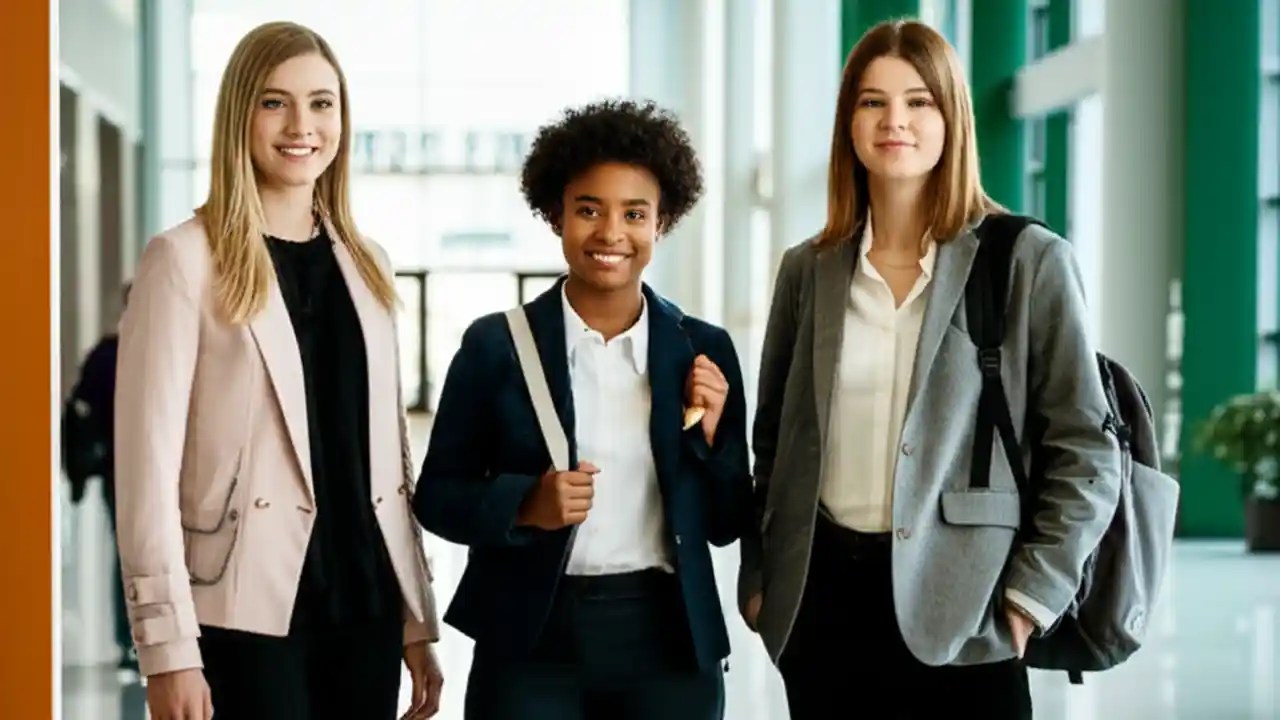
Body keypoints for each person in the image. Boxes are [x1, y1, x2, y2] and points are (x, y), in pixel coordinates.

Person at [737, 20, 1121, 719]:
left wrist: (1028, 601)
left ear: (952, 116)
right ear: (848, 121)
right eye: (872, 101)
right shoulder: (809, 270)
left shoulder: (1027, 260)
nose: (895, 122)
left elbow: (1087, 451)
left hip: (970, 610)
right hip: (822, 607)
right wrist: (762, 582)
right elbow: (775, 443)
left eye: (919, 101)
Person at [114, 21, 442, 720]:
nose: (303, 125)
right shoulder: (182, 261)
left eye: (322, 103)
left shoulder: (370, 266)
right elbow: (146, 471)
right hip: (243, 613)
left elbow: (387, 458)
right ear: (241, 114)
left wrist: (418, 621)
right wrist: (167, 649)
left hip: (367, 606)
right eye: (275, 102)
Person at [413, 99, 751, 720]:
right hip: (533, 642)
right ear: (555, 214)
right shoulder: (495, 346)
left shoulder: (705, 351)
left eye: (634, 213)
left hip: (669, 641)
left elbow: (728, 520)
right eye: (588, 209)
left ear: (662, 222)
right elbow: (436, 496)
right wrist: (525, 505)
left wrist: (706, 435)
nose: (610, 234)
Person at [61, 283, 134, 673]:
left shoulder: (110, 355)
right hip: (123, 469)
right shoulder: (113, 355)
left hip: (127, 468)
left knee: (131, 554)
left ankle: (132, 642)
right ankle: (133, 640)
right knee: (133, 554)